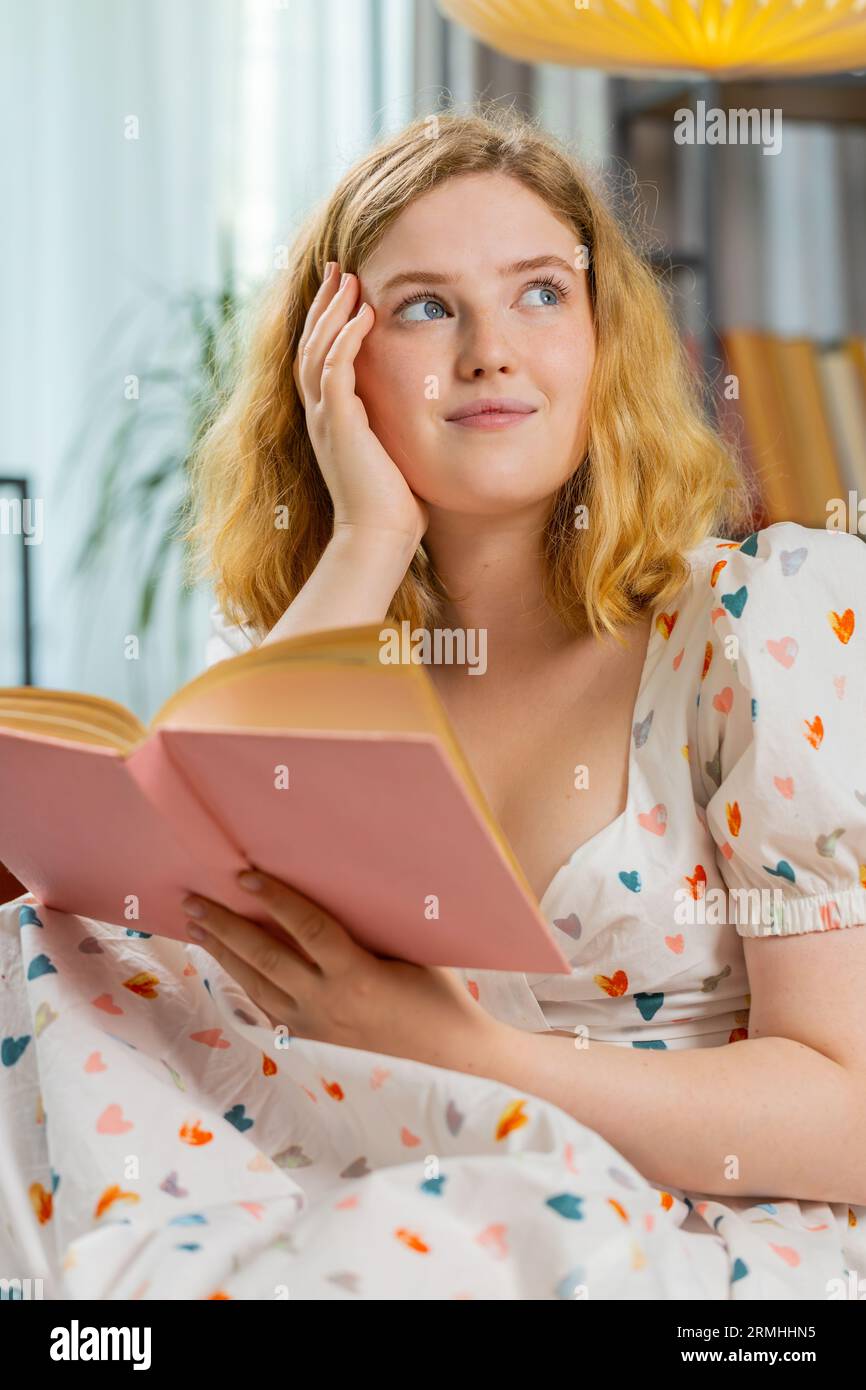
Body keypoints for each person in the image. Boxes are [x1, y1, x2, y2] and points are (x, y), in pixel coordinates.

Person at [184, 103, 866, 1213]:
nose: (488, 349)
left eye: (540, 292)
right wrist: (369, 536)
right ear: (331, 366)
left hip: (668, 1234)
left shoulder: (758, 627)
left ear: (604, 336)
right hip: (365, 1199)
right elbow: (209, 950)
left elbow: (852, 1127)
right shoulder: (318, 643)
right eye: (423, 308)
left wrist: (462, 1054)